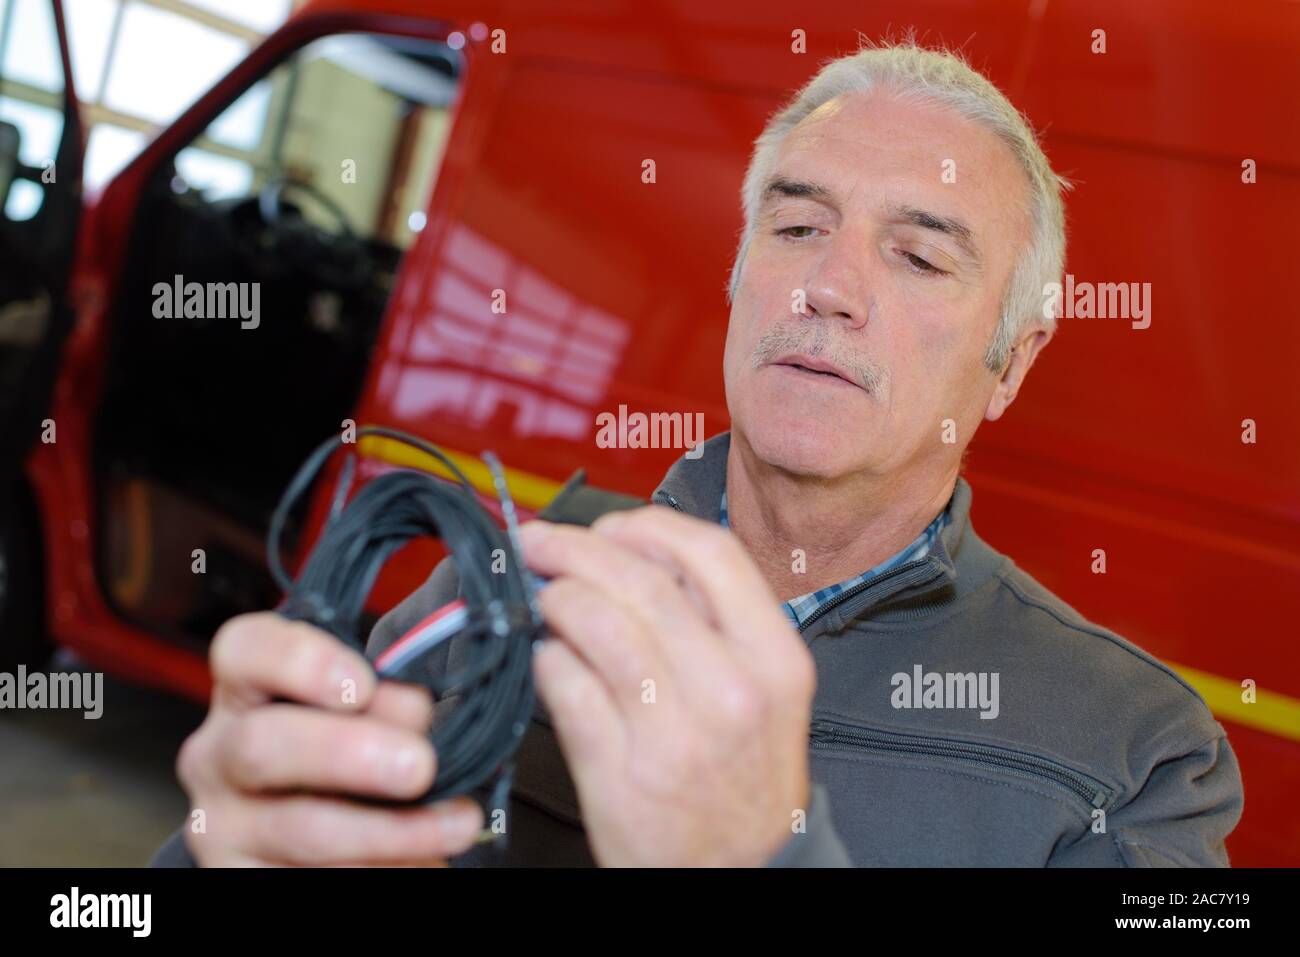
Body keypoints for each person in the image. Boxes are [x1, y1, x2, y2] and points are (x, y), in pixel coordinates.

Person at [151, 39, 1242, 867]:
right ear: (737, 276)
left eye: (917, 255)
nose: (828, 287)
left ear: (1012, 363)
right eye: (798, 226)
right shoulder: (506, 585)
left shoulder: (1141, 757)